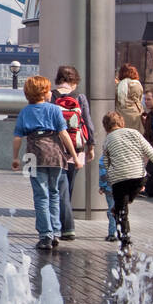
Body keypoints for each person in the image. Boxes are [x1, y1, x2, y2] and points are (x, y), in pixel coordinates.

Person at [12, 74, 78, 250]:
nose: (50, 93)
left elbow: (18, 137)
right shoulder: (55, 110)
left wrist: (15, 158)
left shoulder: (25, 112)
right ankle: (56, 232)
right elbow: (64, 134)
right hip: (55, 154)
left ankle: (45, 235)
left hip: (34, 155)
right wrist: (75, 156)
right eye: (48, 90)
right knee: (54, 193)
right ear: (44, 92)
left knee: (41, 196)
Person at [101, 111, 153, 251]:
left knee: (121, 211)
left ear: (105, 126)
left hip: (119, 179)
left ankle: (125, 243)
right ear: (122, 122)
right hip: (139, 177)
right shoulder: (135, 133)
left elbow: (106, 164)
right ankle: (131, 195)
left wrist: (109, 183)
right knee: (127, 197)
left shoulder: (108, 140)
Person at [51, 65, 95, 242]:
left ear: (58, 79)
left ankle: (64, 227)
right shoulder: (80, 98)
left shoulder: (51, 96)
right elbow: (88, 123)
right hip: (76, 149)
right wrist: (91, 146)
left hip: (55, 148)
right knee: (67, 189)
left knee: (58, 190)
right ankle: (64, 226)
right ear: (74, 81)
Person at [115, 63, 144, 133]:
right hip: (135, 114)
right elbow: (139, 99)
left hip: (121, 114)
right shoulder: (137, 85)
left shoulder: (118, 86)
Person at [97, 154, 117, 243]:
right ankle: (121, 232)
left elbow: (103, 171)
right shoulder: (124, 153)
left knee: (112, 209)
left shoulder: (106, 156)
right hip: (122, 186)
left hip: (110, 186)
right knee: (121, 209)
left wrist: (102, 186)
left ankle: (112, 233)